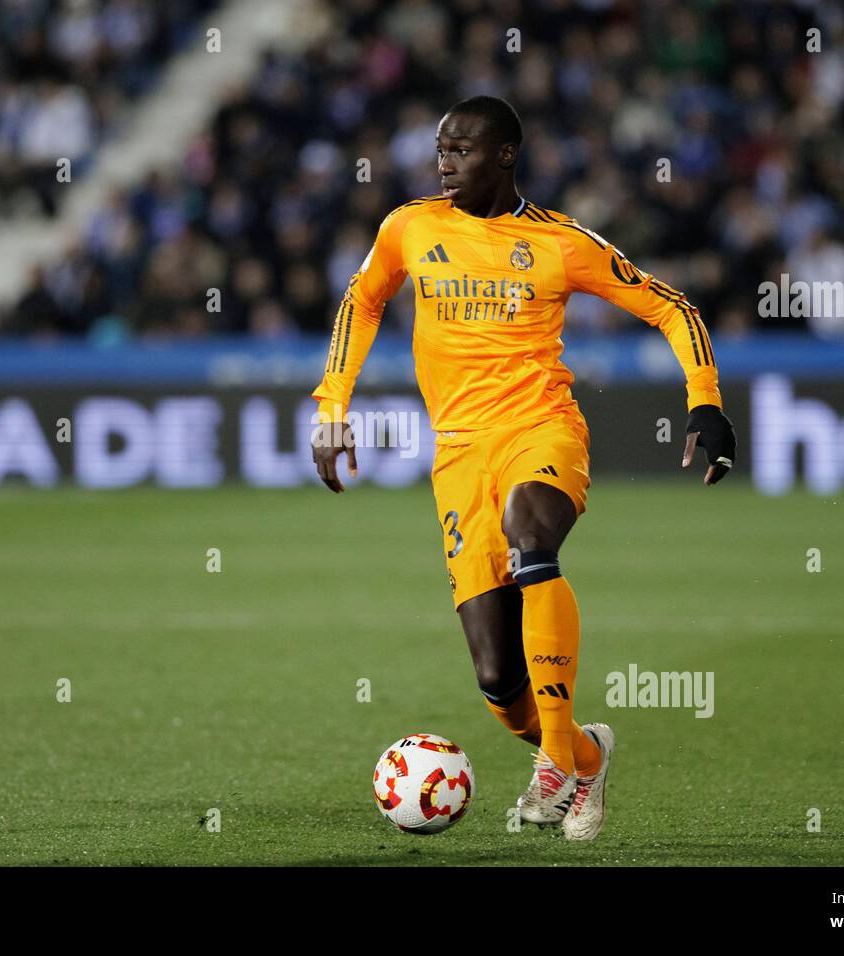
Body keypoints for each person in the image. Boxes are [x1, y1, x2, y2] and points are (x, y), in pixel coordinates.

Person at [310, 96, 736, 841]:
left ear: (505, 155)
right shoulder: (410, 227)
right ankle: (584, 754)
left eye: (462, 150)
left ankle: (552, 770)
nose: (445, 163)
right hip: (458, 455)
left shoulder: (559, 242)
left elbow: (673, 307)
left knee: (530, 533)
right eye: (440, 149)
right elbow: (363, 299)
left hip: (541, 428)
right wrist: (332, 405)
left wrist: (704, 401)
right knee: (499, 682)